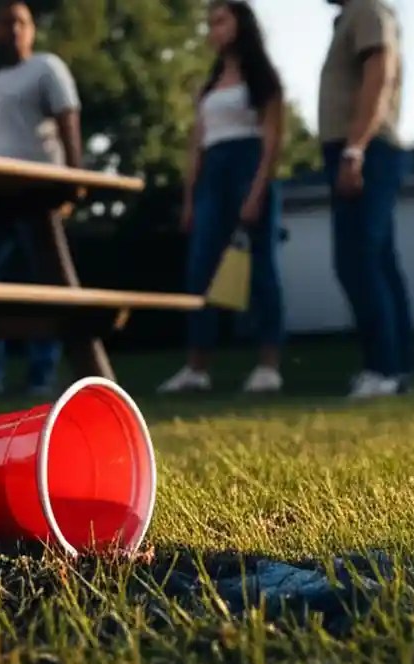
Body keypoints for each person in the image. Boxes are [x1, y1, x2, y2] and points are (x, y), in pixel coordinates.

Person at [0, 0, 83, 397]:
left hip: (36, 193)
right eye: (6, 22)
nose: (14, 29)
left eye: (22, 22)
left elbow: (68, 116)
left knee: (44, 282)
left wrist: (75, 177)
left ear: (32, 30)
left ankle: (42, 374)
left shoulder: (47, 67)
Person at [158, 0, 287, 394]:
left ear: (240, 24)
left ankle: (268, 365)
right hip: (212, 176)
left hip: (248, 168)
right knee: (200, 271)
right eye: (210, 23)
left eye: (220, 21)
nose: (213, 30)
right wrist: (190, 199)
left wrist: (257, 192)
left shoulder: (264, 80)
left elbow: (272, 141)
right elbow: (196, 145)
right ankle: (197, 367)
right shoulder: (209, 86)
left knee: (261, 270)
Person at [319, 0, 414, 399]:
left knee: (357, 260)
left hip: (366, 148)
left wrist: (354, 149)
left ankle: (383, 369)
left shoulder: (368, 10)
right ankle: (395, 368)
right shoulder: (351, 17)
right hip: (359, 148)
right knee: (377, 261)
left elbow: (380, 74)